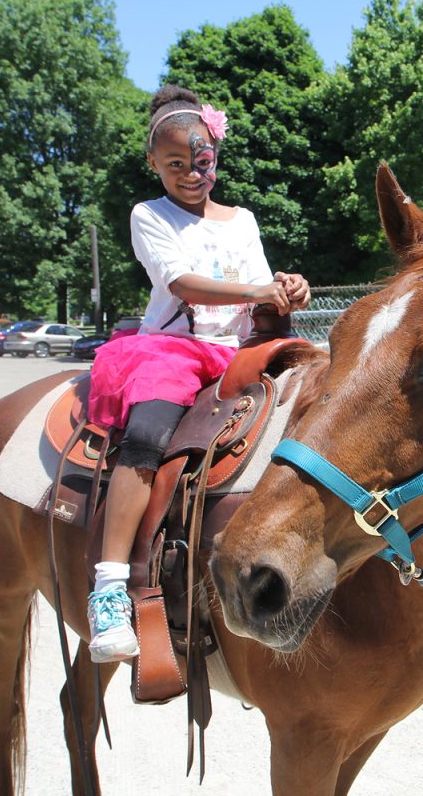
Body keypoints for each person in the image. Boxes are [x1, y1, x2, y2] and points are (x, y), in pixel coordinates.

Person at [85, 84, 310, 663]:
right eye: (176, 164)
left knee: (319, 388)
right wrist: (258, 288)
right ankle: (110, 587)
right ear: (154, 163)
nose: (191, 174)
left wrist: (285, 291)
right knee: (148, 433)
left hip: (239, 348)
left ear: (217, 158)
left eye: (202, 162)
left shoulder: (243, 220)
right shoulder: (149, 215)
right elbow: (181, 283)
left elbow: (261, 304)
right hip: (174, 348)